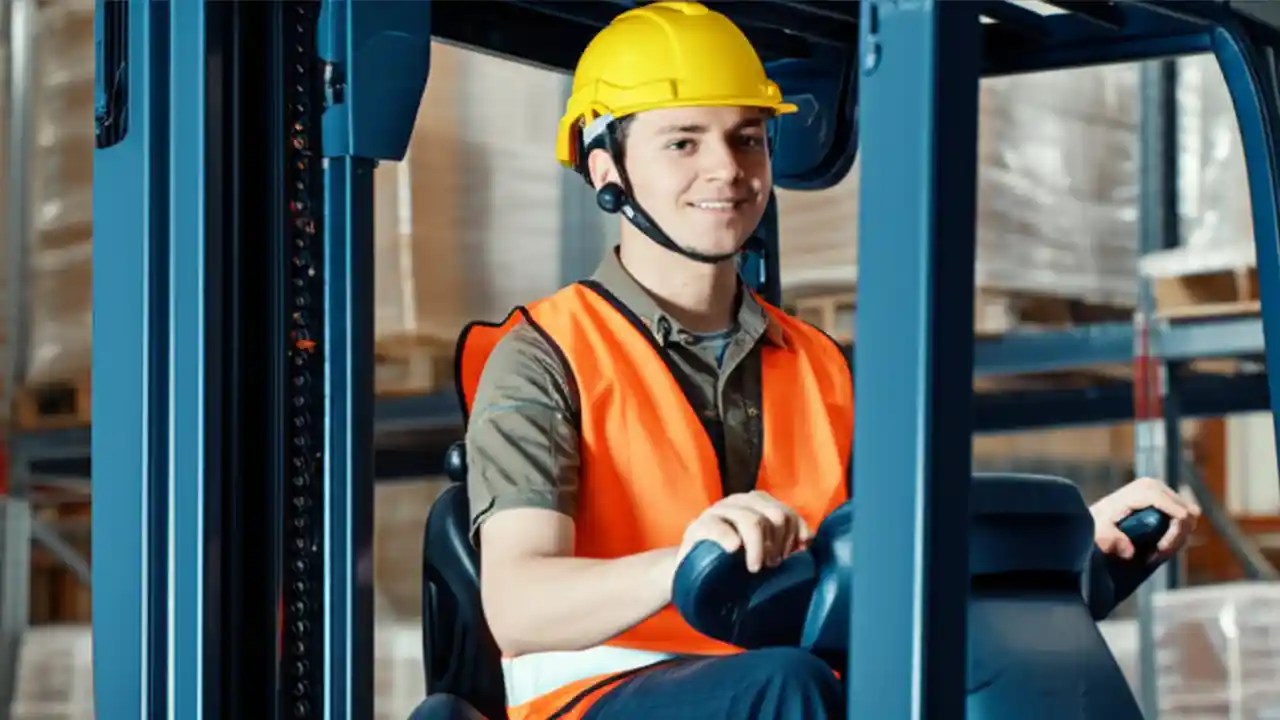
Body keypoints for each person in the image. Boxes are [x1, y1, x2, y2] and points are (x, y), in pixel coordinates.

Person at [455, 3, 1203, 719]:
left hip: (798, 690)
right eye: (683, 141)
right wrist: (681, 563)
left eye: (747, 138)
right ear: (606, 170)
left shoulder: (816, 361)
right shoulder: (543, 355)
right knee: (789, 686)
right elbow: (519, 605)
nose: (728, 170)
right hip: (600, 702)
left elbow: (887, 556)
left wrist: (1063, 555)